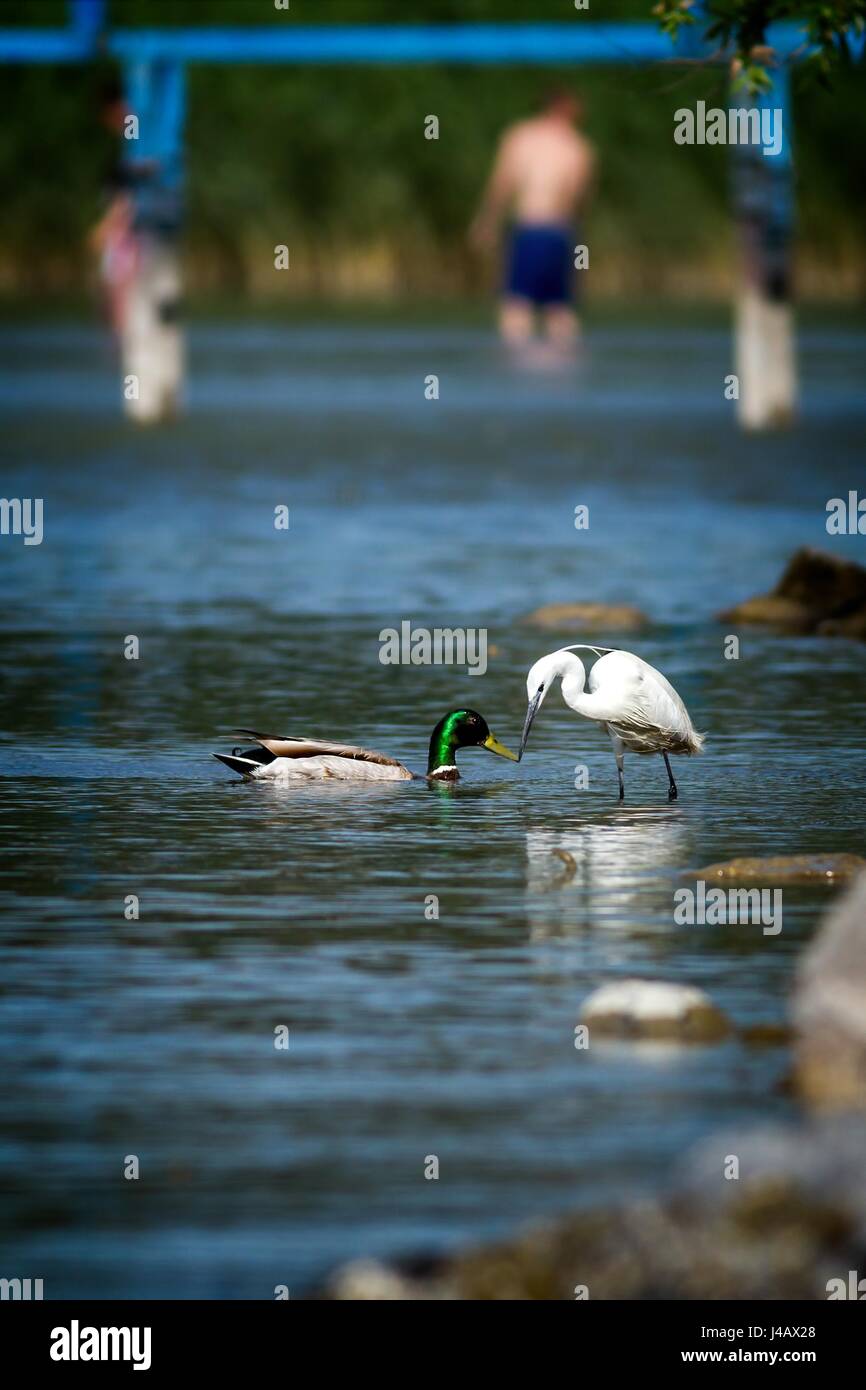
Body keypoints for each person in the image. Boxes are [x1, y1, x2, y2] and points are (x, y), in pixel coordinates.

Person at [470, 89, 596, 354]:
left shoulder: (521, 138)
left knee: (518, 306)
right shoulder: (577, 147)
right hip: (557, 231)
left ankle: (515, 369)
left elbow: (502, 183)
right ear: (564, 108)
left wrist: (487, 222)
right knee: (558, 307)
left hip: (532, 228)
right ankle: (565, 371)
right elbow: (576, 198)